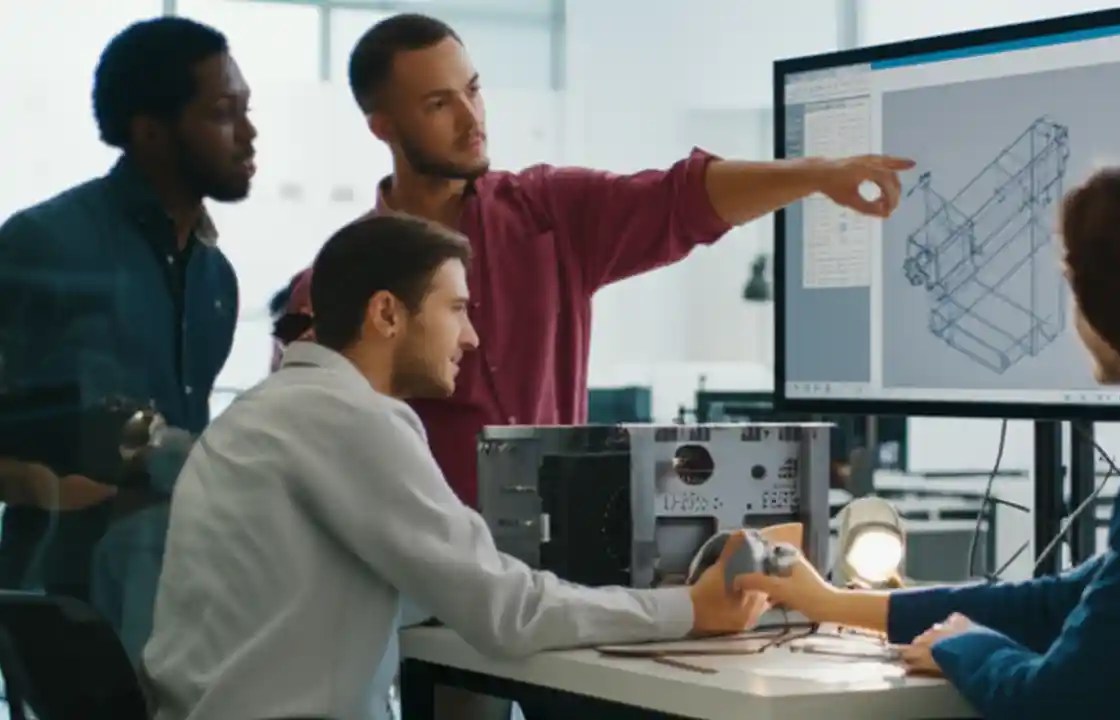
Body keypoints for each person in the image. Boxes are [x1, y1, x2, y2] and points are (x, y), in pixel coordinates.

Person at [142, 214, 769, 720]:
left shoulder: (258, 415)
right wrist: (690, 608)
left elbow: (421, 592)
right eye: (457, 308)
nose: (471, 337)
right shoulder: (353, 419)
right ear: (387, 313)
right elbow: (506, 611)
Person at [278, 13, 916, 509]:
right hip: (415, 582)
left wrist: (816, 175)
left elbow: (680, 197)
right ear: (382, 127)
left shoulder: (550, 211)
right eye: (439, 105)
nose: (472, 118)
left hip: (558, 565)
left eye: (473, 90)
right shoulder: (336, 283)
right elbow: (308, 455)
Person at [736, 160, 1120, 718]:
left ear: (1106, 306)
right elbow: (1061, 603)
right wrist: (829, 602)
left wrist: (965, 646)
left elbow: (1061, 701)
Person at [0, 16, 255, 663]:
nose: (248, 135)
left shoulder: (216, 277)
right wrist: (48, 488)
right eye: (224, 112)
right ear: (150, 131)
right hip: (63, 609)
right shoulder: (41, 245)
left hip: (184, 599)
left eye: (246, 110)